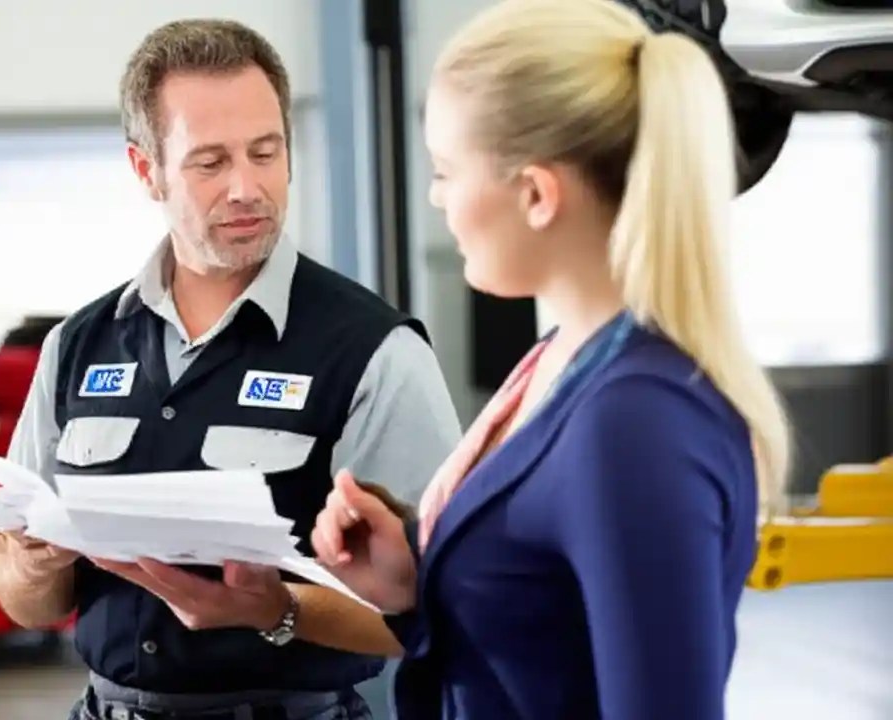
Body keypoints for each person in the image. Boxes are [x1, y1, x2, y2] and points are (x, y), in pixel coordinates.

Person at [311, 0, 793, 718]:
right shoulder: (558, 362)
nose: (437, 198)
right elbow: (540, 644)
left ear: (536, 193)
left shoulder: (638, 422)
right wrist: (413, 582)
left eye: (446, 171)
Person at [0, 18, 462, 720]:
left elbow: (443, 606)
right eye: (209, 163)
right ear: (146, 170)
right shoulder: (76, 347)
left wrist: (279, 610)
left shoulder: (375, 352)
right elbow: (23, 597)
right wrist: (30, 565)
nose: (246, 187)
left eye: (265, 152)